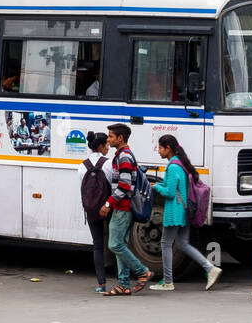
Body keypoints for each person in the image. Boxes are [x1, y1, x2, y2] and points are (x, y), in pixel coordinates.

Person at [148, 134, 222, 292]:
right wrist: (161, 184)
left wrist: (155, 187)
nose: (158, 151)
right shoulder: (180, 164)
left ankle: (168, 281)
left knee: (165, 244)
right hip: (183, 210)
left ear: (168, 149)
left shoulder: (173, 166)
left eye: (160, 148)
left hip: (174, 211)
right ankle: (210, 268)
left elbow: (169, 192)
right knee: (183, 244)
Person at [98, 124, 153, 295]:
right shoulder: (123, 155)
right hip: (123, 207)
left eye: (111, 136)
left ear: (120, 138)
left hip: (122, 208)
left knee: (114, 244)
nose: (108, 139)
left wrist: (108, 204)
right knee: (120, 245)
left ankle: (142, 271)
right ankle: (123, 284)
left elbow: (124, 186)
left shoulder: (124, 157)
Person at [77, 132, 114, 293]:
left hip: (91, 210)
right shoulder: (108, 164)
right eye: (106, 145)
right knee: (117, 244)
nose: (108, 147)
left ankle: (101, 284)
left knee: (98, 246)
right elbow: (114, 186)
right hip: (107, 208)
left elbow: (82, 190)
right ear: (100, 146)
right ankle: (123, 281)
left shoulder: (81, 166)